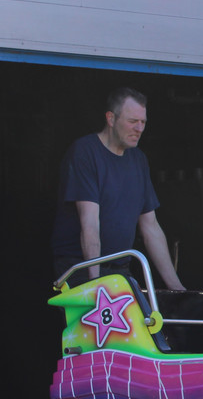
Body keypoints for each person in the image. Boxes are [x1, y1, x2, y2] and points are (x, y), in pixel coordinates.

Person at [50, 87, 184, 289]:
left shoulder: (138, 159)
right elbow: (90, 224)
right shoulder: (85, 152)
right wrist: (96, 285)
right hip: (81, 270)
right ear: (111, 119)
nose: (139, 129)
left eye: (143, 122)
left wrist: (178, 288)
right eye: (132, 122)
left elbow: (151, 227)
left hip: (120, 270)